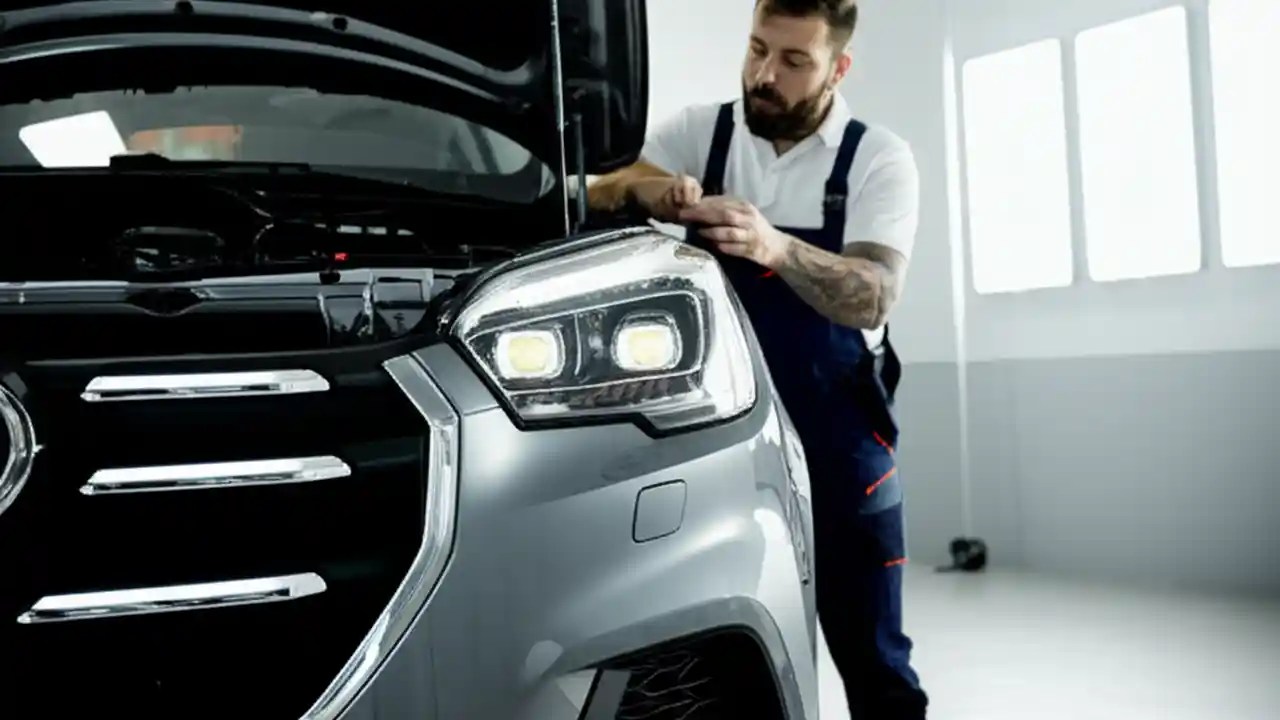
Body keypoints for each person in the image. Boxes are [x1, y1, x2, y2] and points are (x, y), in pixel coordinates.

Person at [587, 1, 926, 717]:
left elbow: (874, 295)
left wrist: (775, 247)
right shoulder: (697, 133)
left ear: (838, 67)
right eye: (755, 50)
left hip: (839, 437)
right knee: (698, 642)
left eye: (794, 61)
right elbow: (599, 185)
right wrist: (656, 190)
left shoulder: (877, 158)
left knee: (874, 655)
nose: (764, 75)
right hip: (713, 437)